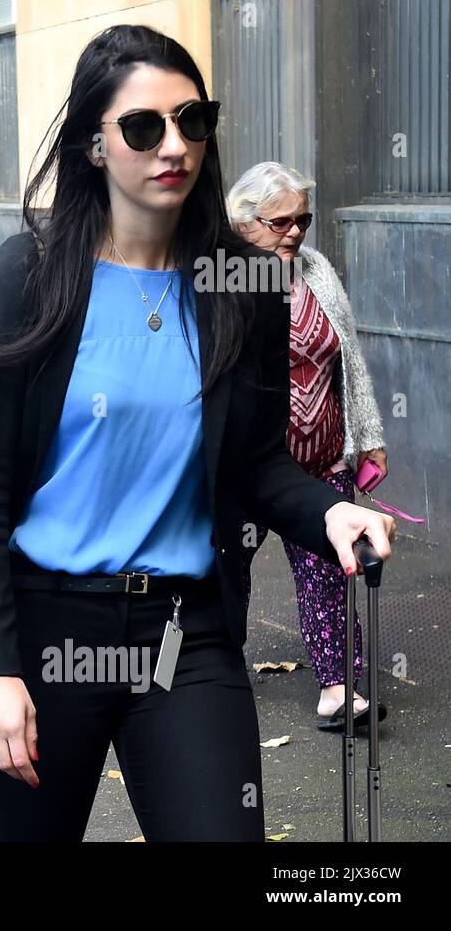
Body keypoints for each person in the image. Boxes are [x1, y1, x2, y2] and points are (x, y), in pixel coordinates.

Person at [0, 25, 397, 842]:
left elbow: (257, 459)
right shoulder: (29, 276)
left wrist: (329, 512)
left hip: (186, 636)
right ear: (94, 143)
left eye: (192, 120)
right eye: (144, 127)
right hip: (44, 632)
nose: (174, 145)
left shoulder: (244, 283)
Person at [228, 161, 388, 731]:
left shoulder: (317, 271)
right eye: (279, 222)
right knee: (226, 568)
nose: (294, 232)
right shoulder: (224, 277)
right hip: (248, 463)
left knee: (330, 566)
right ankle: (214, 674)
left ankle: (339, 688)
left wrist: (368, 438)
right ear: (244, 223)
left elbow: (349, 359)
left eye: (303, 219)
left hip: (323, 455)